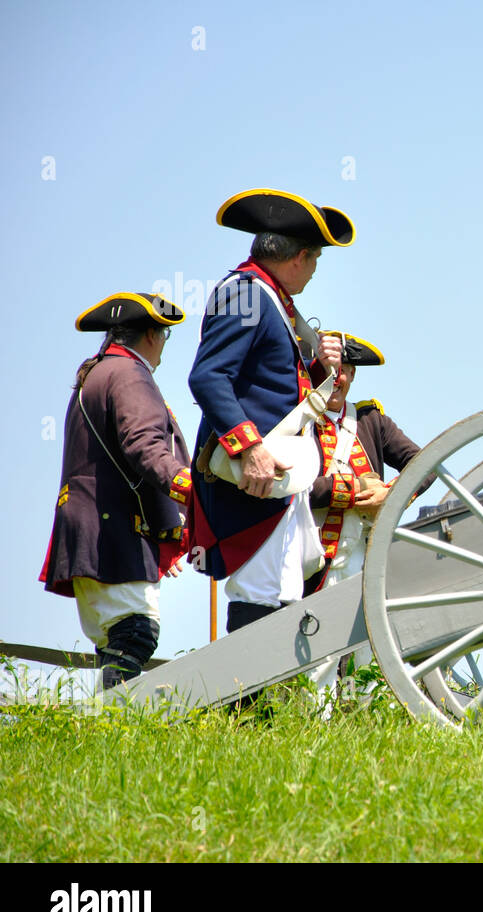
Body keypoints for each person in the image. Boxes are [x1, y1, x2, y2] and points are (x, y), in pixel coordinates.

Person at [188, 189, 350, 632]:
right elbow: (207, 377)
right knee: (261, 593)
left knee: (283, 591)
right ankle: (246, 704)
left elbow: (275, 384)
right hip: (256, 472)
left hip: (276, 474)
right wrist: (250, 448)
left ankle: (269, 704)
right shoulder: (246, 293)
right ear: (299, 256)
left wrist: (320, 365)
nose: (315, 272)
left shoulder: (269, 298)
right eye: (316, 260)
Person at [40, 292, 192, 688]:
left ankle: (110, 726)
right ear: (152, 336)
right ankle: (113, 723)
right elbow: (144, 445)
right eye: (165, 336)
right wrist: (190, 490)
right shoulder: (129, 374)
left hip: (95, 527)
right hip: (113, 528)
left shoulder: (100, 372)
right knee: (135, 633)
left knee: (117, 639)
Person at [304, 332, 424, 593]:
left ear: (353, 374)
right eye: (328, 370)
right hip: (314, 562)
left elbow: (422, 463)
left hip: (368, 553)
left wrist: (391, 495)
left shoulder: (371, 420)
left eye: (342, 371)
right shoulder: (299, 423)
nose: (336, 379)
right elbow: (296, 489)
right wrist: (354, 489)